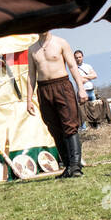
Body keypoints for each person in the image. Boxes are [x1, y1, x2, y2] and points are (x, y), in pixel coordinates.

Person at [27, 31, 88, 178]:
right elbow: (31, 74)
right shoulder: (32, 49)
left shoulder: (61, 42)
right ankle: (68, 166)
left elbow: (73, 66)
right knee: (54, 127)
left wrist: (81, 88)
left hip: (62, 85)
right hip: (44, 89)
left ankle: (75, 166)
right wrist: (28, 99)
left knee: (70, 125)